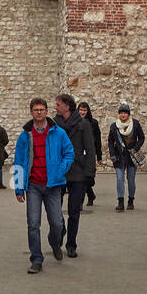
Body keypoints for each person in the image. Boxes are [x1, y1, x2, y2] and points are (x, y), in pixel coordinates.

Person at [13, 97, 75, 274]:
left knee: (57, 223)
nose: (39, 112)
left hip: (53, 185)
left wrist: (60, 170)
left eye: (41, 109)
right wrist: (18, 188)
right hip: (33, 185)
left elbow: (69, 153)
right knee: (33, 224)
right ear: (31, 112)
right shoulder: (25, 136)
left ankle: (55, 242)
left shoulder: (58, 133)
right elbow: (18, 162)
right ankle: (36, 259)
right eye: (35, 110)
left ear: (47, 112)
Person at [54, 93, 94, 256]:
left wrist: (90, 173)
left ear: (67, 107)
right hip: (59, 172)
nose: (55, 107)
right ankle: (60, 230)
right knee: (56, 210)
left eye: (58, 104)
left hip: (78, 173)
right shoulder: (54, 125)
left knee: (74, 211)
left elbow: (90, 149)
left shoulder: (83, 125)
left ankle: (71, 244)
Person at [108, 104, 144, 211]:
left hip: (131, 157)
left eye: (125, 113)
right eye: (121, 113)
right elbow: (110, 141)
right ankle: (120, 201)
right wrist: (112, 154)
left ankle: (131, 200)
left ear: (128, 114)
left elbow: (142, 138)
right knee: (119, 179)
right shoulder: (114, 126)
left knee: (131, 179)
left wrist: (135, 148)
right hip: (119, 157)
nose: (123, 115)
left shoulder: (135, 124)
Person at [78, 102, 102, 207]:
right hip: (78, 154)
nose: (82, 112)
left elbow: (97, 141)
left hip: (89, 154)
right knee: (80, 178)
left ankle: (90, 195)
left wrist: (99, 156)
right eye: (81, 110)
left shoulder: (93, 123)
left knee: (87, 178)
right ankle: (82, 201)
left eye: (84, 110)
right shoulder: (74, 122)